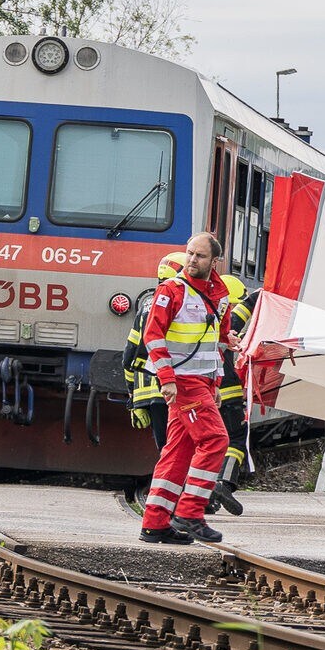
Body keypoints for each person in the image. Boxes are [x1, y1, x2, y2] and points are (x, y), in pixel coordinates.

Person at [137, 233, 235, 544]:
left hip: (201, 383)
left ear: (214, 262)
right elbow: (152, 336)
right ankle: (190, 512)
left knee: (177, 453)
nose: (192, 260)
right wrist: (166, 378)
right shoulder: (172, 290)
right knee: (216, 440)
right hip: (183, 383)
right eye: (190, 253)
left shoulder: (220, 296)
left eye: (200, 256)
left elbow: (214, 342)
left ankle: (154, 523)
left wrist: (216, 381)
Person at [123, 252, 186, 451]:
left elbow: (129, 356)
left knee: (165, 448)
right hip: (177, 388)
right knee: (181, 448)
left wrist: (133, 400)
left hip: (149, 393)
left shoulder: (146, 306)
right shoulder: (184, 304)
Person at [210, 272, 253, 516]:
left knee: (207, 442)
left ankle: (202, 495)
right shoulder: (227, 318)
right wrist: (261, 295)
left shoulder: (204, 315)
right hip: (227, 391)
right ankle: (223, 483)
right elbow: (245, 308)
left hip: (204, 390)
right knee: (235, 438)